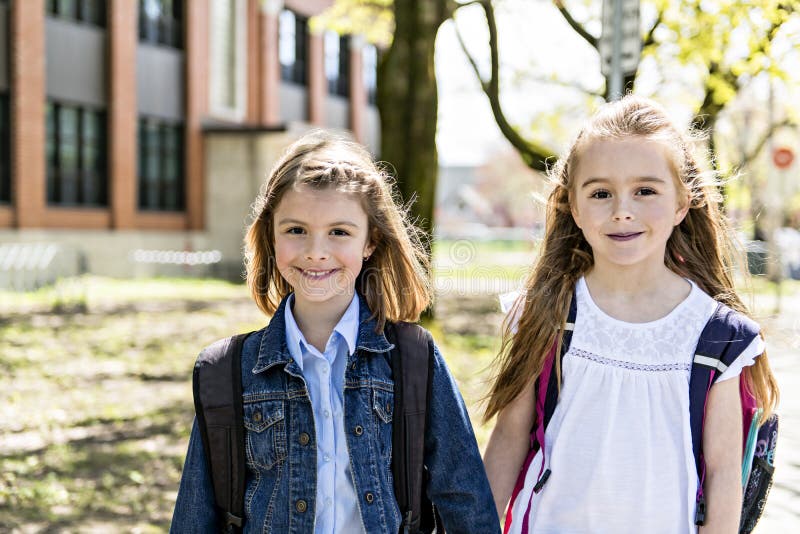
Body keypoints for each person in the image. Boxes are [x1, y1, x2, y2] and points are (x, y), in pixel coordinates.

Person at [171, 131, 500, 533]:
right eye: (296, 230)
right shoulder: (227, 371)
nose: (316, 251)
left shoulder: (413, 359)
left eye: (339, 232)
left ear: (370, 241)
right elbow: (194, 516)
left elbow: (465, 499)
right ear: (271, 236)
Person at [482, 96, 779, 533]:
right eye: (601, 193)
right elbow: (508, 438)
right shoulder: (546, 312)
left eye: (646, 190)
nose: (623, 209)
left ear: (682, 203)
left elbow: (721, 474)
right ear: (574, 208)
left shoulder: (719, 338)